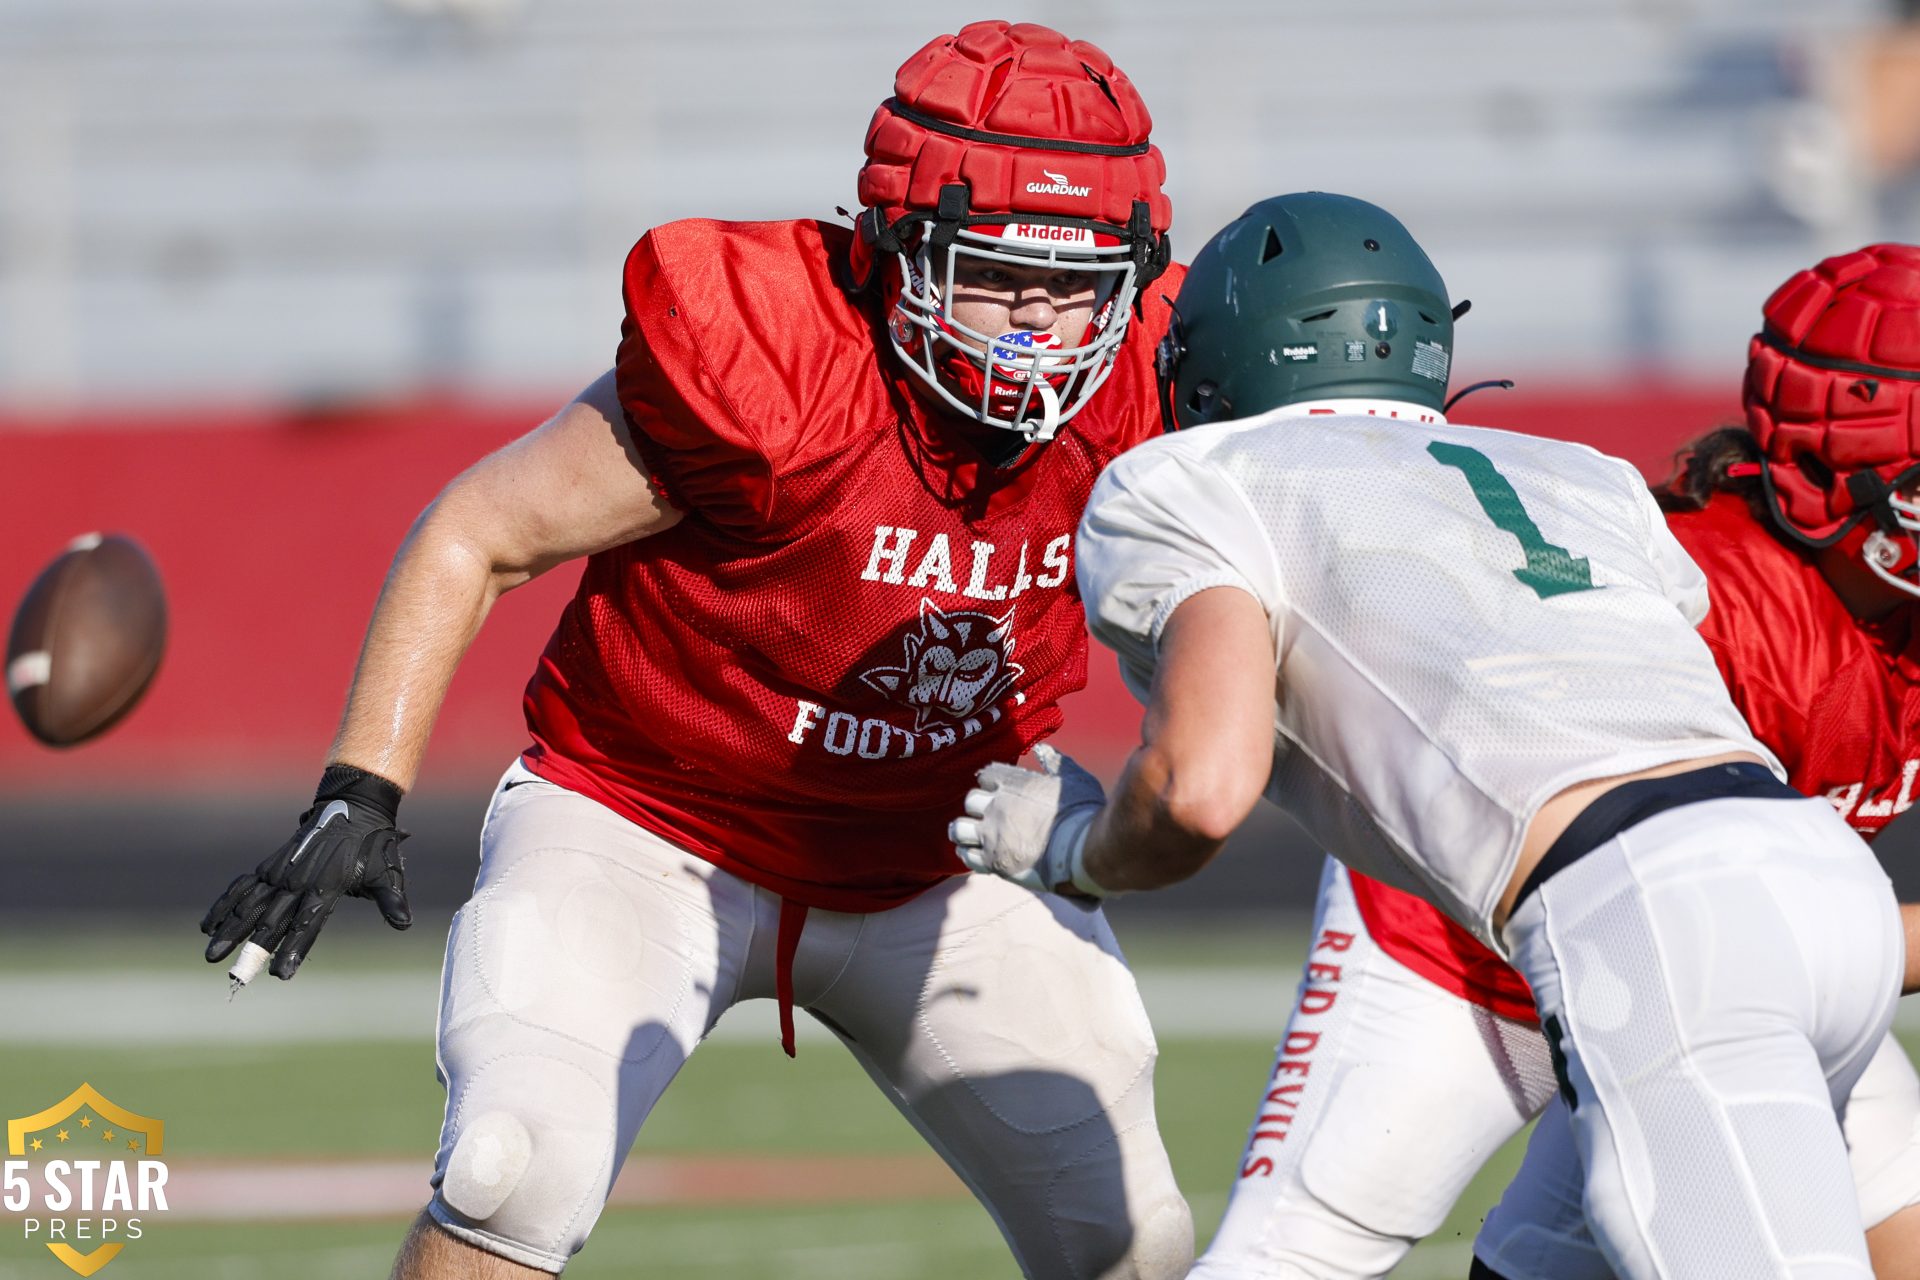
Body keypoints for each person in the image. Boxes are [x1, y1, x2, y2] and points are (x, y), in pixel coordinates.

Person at [197, 21, 1194, 1279]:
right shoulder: (781, 362)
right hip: (651, 827)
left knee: (1136, 1240)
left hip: (942, 855)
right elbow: (479, 532)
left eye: (1076, 282)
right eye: (994, 275)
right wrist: (360, 786)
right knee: (514, 1164)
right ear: (898, 249)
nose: (1037, 325)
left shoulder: (1160, 382)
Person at [952, 192, 1907, 1278]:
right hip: (1821, 887)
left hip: (1638, 915)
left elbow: (1201, 787)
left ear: (1212, 366)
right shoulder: (1585, 477)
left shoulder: (1194, 475)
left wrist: (1075, 850)